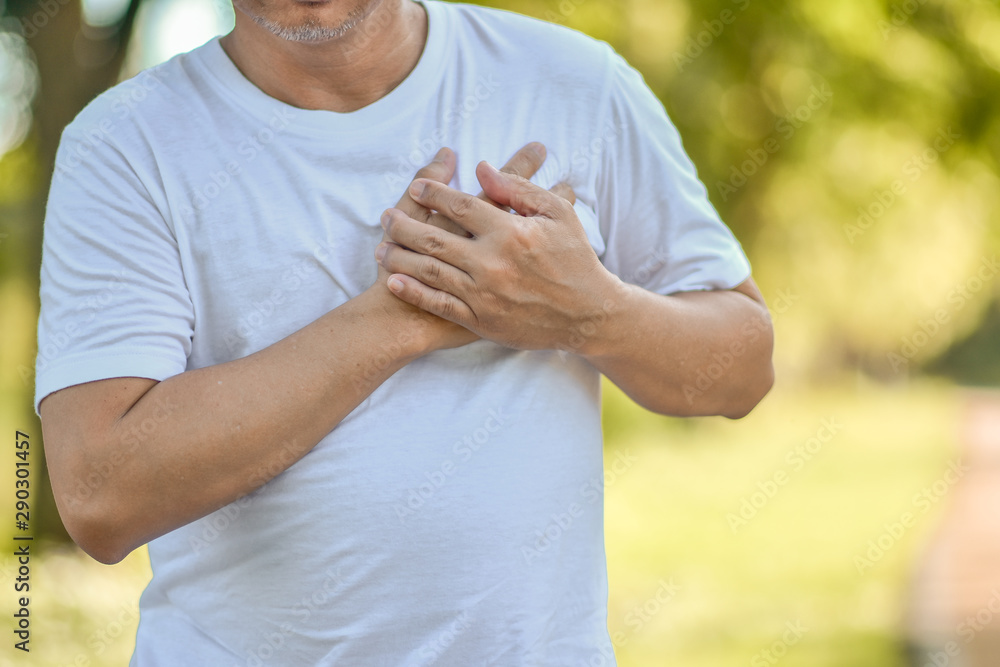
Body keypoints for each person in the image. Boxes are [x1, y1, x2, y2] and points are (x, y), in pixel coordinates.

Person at [35, 0, 774, 663]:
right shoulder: (124, 146)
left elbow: (743, 367)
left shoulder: (575, 83)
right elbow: (101, 496)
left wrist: (588, 309)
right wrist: (399, 316)